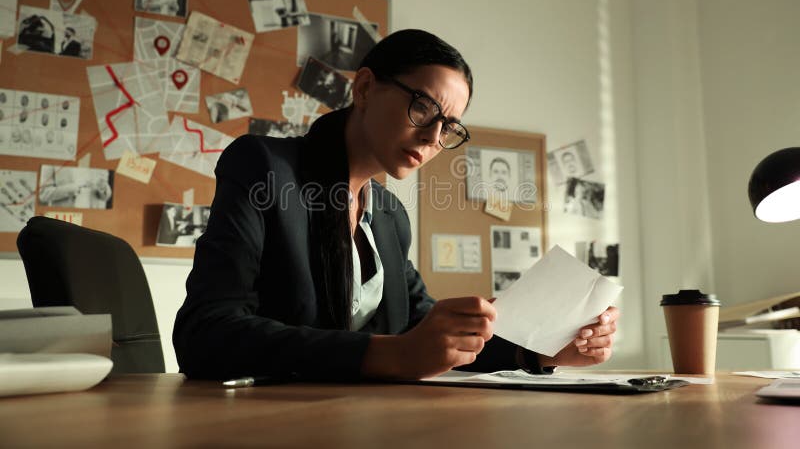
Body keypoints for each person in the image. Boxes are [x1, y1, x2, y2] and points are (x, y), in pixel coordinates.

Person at [173, 29, 619, 382]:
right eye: (423, 108)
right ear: (365, 88)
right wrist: (392, 354)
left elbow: (418, 328)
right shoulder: (264, 167)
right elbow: (206, 332)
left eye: (449, 127)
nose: (432, 138)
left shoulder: (388, 214)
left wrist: (536, 349)